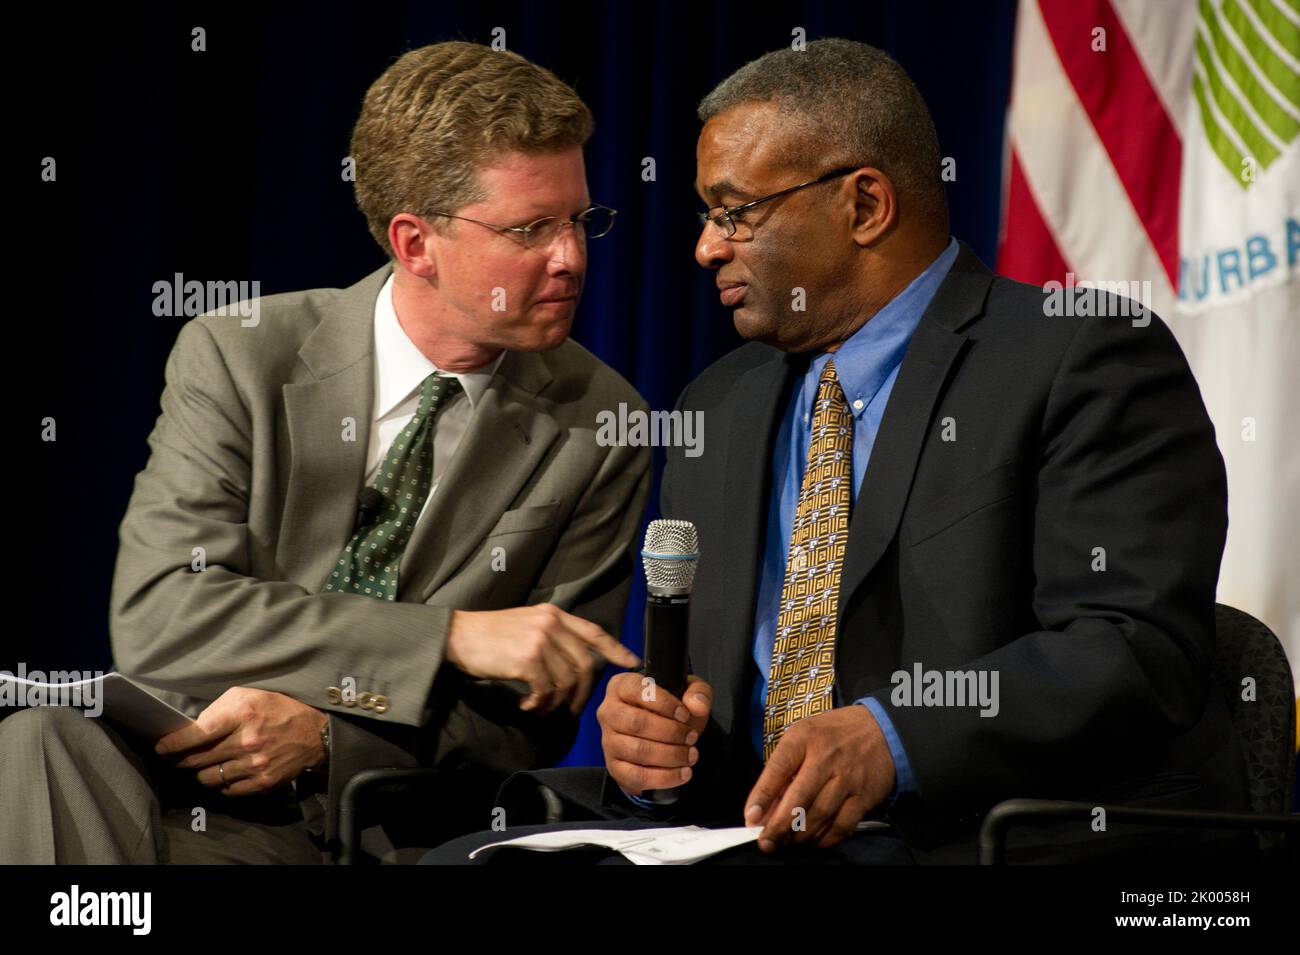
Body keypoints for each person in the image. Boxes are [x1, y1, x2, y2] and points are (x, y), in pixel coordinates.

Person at [423, 38, 1252, 866]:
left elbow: (1130, 646)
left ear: (863, 206)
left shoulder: (1079, 357)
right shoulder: (721, 403)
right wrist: (656, 749)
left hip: (992, 833)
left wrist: (892, 740)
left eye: (734, 211)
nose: (707, 247)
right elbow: (716, 714)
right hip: (749, 837)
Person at [0, 40, 649, 865]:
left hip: (372, 812)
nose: (571, 257)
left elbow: (535, 719)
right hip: (183, 758)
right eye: (531, 229)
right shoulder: (240, 353)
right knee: (42, 736)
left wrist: (328, 735)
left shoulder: (599, 420)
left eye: (579, 219)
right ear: (416, 243)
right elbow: (160, 614)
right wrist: (446, 637)